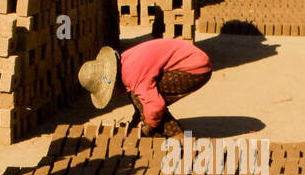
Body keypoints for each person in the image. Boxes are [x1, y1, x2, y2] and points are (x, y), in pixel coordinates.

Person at [78, 38, 212, 138]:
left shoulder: (132, 74)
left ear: (113, 84)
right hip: (190, 59)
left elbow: (155, 105)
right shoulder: (124, 63)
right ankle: (163, 130)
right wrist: (135, 121)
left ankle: (178, 137)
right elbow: (141, 94)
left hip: (195, 68)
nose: (115, 96)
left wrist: (147, 129)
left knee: (148, 104)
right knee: (140, 97)